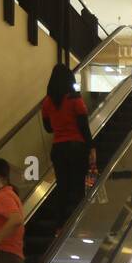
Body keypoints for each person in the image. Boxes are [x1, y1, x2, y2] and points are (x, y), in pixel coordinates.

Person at [42, 64, 96, 219]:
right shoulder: (75, 99)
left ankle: (60, 225)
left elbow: (48, 128)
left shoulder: (47, 102)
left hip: (58, 148)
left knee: (62, 186)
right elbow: (84, 127)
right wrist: (91, 147)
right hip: (76, 146)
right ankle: (77, 222)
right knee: (78, 186)